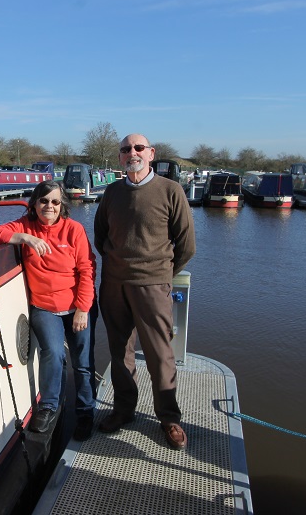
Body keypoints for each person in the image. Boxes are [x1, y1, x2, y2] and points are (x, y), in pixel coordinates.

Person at [93, 133, 196, 450]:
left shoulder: (170, 190)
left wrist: (161, 274)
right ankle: (124, 411)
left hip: (153, 285)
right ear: (121, 157)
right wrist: (117, 267)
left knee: (159, 354)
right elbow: (100, 238)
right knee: (120, 351)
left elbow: (187, 245)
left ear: (151, 154)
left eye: (138, 148)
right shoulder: (111, 192)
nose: (132, 153)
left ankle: (168, 418)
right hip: (114, 284)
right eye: (126, 150)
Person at [0, 180, 98, 441]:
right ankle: (48, 407)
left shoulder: (74, 230)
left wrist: (82, 309)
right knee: (53, 352)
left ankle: (85, 414)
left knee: (82, 364)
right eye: (44, 201)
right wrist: (24, 237)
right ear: (35, 203)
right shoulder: (25, 225)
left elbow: (87, 271)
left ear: (62, 205)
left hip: (76, 306)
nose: (50, 206)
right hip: (45, 307)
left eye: (56, 202)